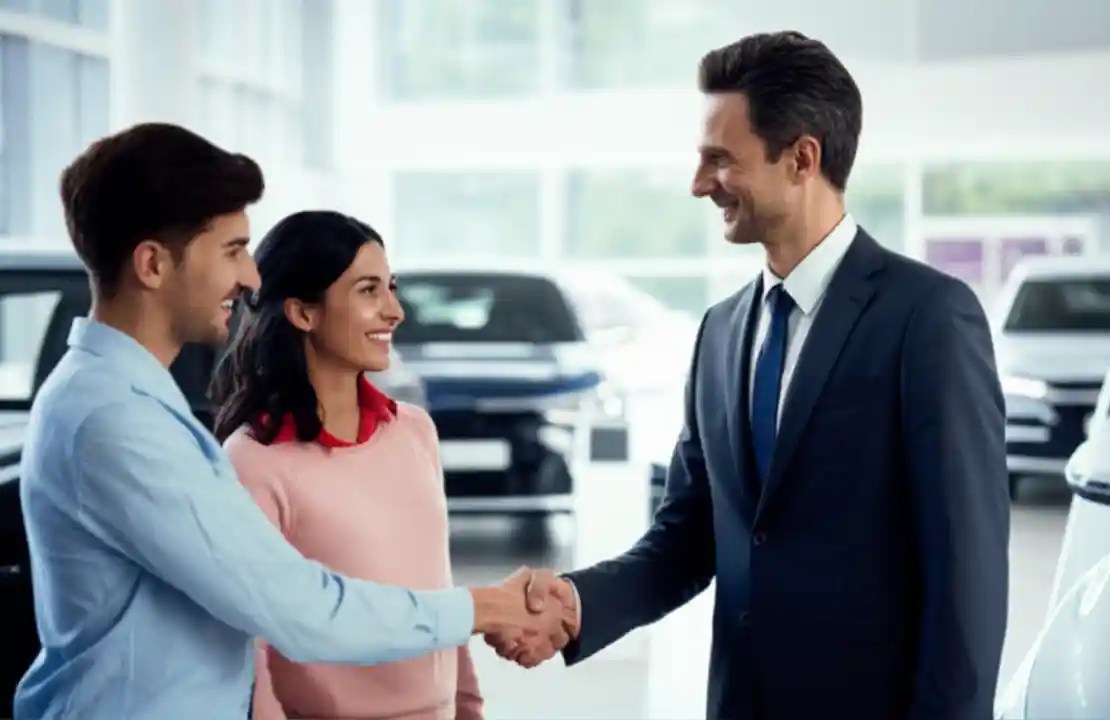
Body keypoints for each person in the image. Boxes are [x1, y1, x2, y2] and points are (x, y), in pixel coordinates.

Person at [491, 31, 1010, 720]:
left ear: (801, 158)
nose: (699, 184)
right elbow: (688, 537)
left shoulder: (928, 318)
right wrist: (577, 603)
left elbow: (967, 579)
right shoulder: (720, 331)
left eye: (719, 160)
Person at [14, 123, 547, 719]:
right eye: (232, 250)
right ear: (153, 265)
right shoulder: (114, 421)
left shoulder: (127, 402)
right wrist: (486, 607)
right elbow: (297, 610)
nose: (250, 278)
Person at [208, 210, 506, 719]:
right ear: (304, 313)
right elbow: (251, 648)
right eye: (369, 291)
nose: (395, 311)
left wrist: (468, 704)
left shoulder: (414, 432)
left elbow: (437, 586)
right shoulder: (251, 462)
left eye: (391, 287)